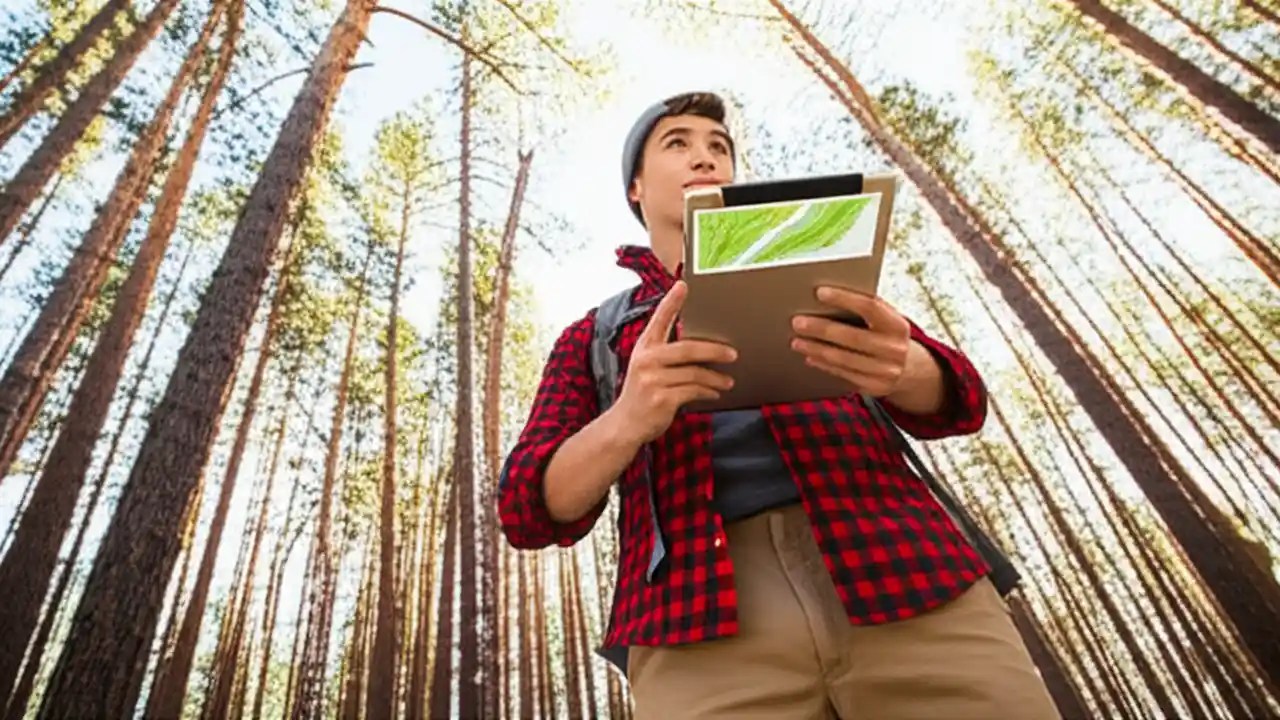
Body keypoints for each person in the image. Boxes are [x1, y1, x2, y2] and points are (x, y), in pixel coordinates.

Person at [497, 91, 1060, 720]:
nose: (705, 157)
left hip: (908, 571)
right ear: (635, 188)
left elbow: (962, 400)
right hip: (694, 622)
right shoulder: (591, 336)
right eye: (677, 143)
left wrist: (905, 368)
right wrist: (626, 421)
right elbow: (526, 506)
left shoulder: (823, 271)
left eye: (719, 147)